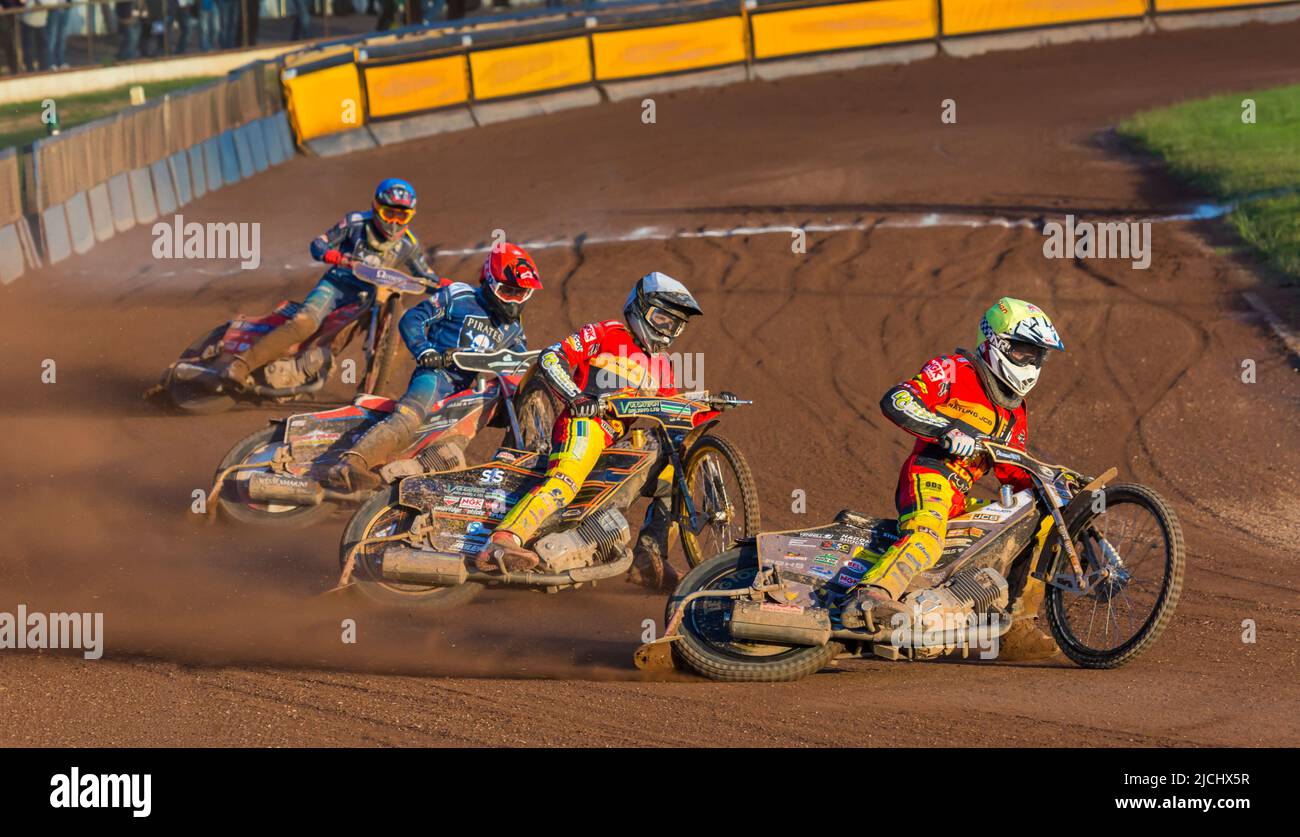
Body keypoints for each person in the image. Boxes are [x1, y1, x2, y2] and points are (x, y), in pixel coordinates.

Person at [840, 297, 1065, 660]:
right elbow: (897, 400)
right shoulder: (954, 370)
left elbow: (1014, 473)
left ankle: (1016, 625)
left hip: (960, 497)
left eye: (1038, 354)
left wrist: (1051, 484)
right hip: (929, 473)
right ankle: (870, 595)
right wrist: (944, 429)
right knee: (926, 539)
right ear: (998, 343)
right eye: (1024, 350)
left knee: (1032, 521)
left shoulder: (1015, 413)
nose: (1032, 362)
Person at [475, 271, 703, 589]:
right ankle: (502, 539)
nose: (666, 330)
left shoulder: (662, 364)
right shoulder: (607, 333)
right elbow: (553, 357)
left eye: (674, 324)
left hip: (615, 441)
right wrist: (576, 397)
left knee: (674, 475)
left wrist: (708, 402)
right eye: (662, 318)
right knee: (563, 483)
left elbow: (671, 408)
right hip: (583, 425)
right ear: (640, 308)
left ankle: (649, 558)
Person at [323, 242, 541, 492]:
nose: (515, 300)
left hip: (463, 393)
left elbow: (521, 363)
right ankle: (350, 464)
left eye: (522, 293)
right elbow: (412, 318)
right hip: (434, 374)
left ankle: (398, 489)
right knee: (410, 417)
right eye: (509, 291)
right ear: (491, 282)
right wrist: (424, 350)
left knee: (452, 449)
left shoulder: (513, 329)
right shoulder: (458, 295)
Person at [191, 178, 438, 392]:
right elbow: (318, 244)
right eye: (389, 213)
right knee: (304, 325)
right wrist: (335, 257)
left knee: (397, 322)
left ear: (410, 216)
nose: (394, 222)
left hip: (366, 298)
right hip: (336, 286)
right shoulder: (355, 223)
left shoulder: (409, 244)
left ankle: (370, 386)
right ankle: (240, 365)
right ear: (376, 207)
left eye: (401, 215)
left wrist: (448, 287)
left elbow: (427, 275)